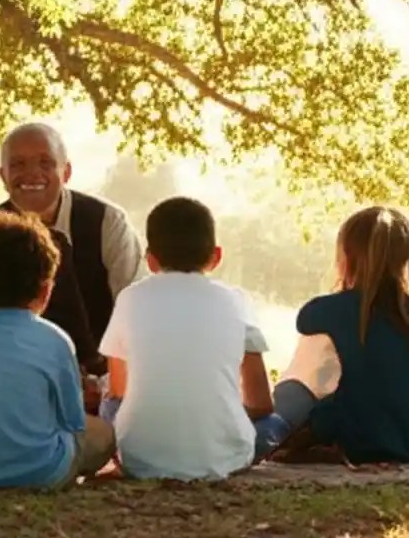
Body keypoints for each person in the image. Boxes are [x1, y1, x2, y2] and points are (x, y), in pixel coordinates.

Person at [97, 197, 319, 480]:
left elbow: (119, 391)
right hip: (226, 460)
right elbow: (262, 403)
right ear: (216, 256)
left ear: (150, 260)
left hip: (139, 459)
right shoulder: (236, 301)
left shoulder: (130, 298)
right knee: (272, 424)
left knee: (109, 403)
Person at [285, 207, 409, 464]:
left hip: (368, 437)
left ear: (347, 255)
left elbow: (305, 320)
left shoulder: (329, 310)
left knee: (305, 386)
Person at [0, 211, 116, 489]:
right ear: (45, 290)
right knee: (103, 434)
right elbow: (72, 420)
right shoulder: (55, 339)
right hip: (43, 472)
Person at [0, 123, 146, 391]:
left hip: (105, 381)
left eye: (45, 163)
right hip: (17, 383)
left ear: (67, 172)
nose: (32, 173)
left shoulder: (106, 222)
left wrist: (109, 384)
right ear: (3, 176)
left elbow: (135, 313)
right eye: (18, 164)